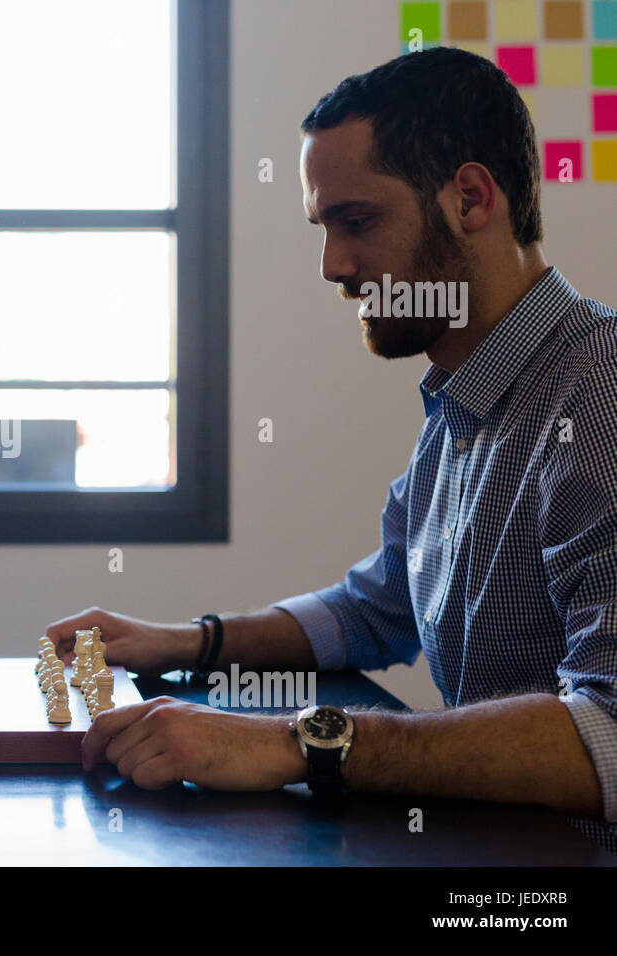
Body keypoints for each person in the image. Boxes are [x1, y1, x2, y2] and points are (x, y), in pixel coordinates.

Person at [51, 46, 617, 855]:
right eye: (324, 229)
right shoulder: (465, 406)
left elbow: (614, 728)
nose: (334, 268)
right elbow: (378, 609)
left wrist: (298, 741)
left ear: (470, 198)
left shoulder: (598, 397)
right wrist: (189, 642)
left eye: (357, 223)